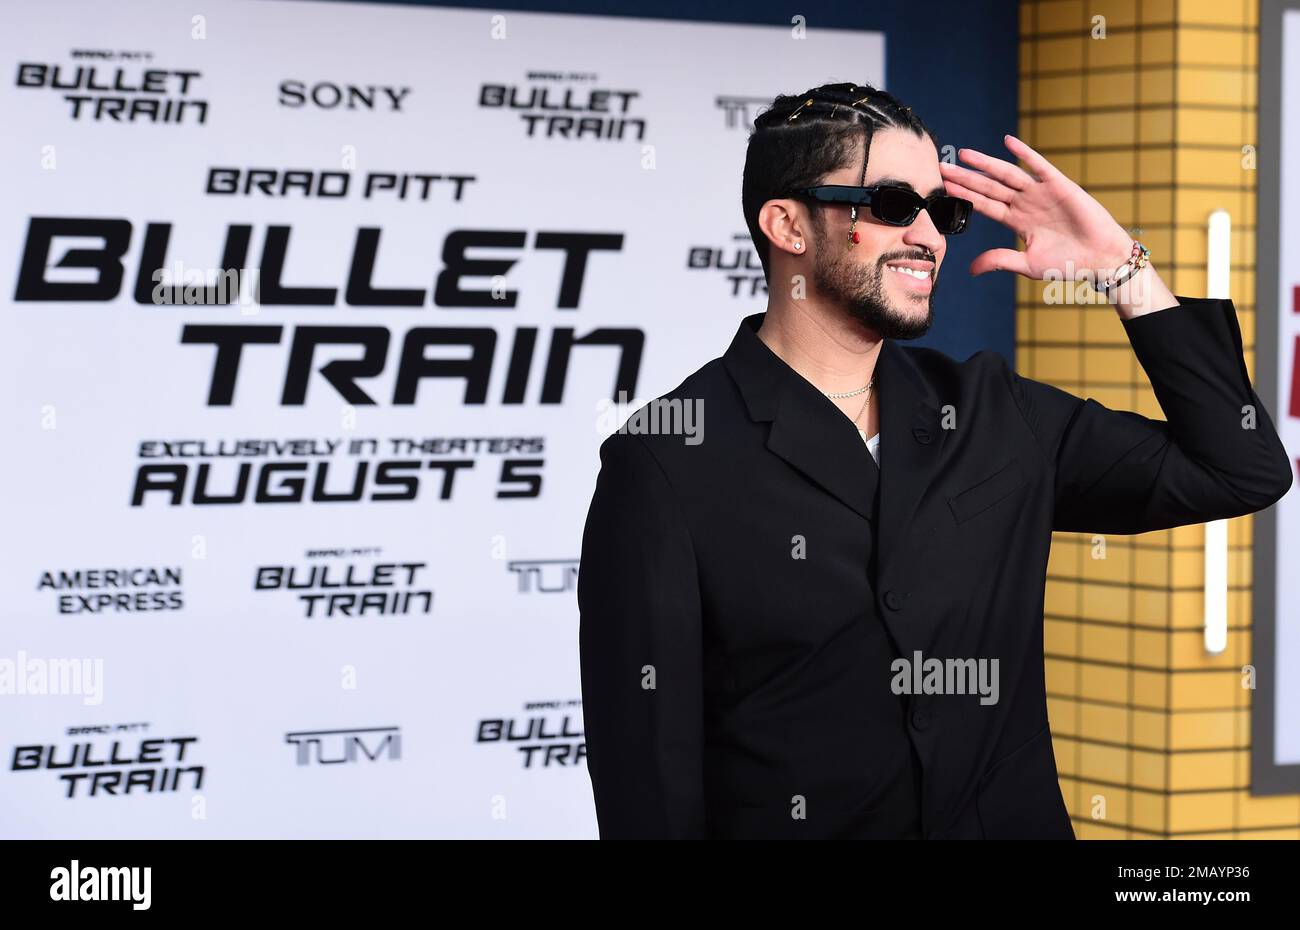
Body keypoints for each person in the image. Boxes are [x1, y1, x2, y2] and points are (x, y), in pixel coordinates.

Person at [576, 82, 1293, 839]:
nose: (930, 235)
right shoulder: (663, 464)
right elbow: (648, 785)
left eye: (942, 210)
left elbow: (1239, 466)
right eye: (890, 203)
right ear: (787, 224)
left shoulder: (995, 412)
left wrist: (1121, 267)